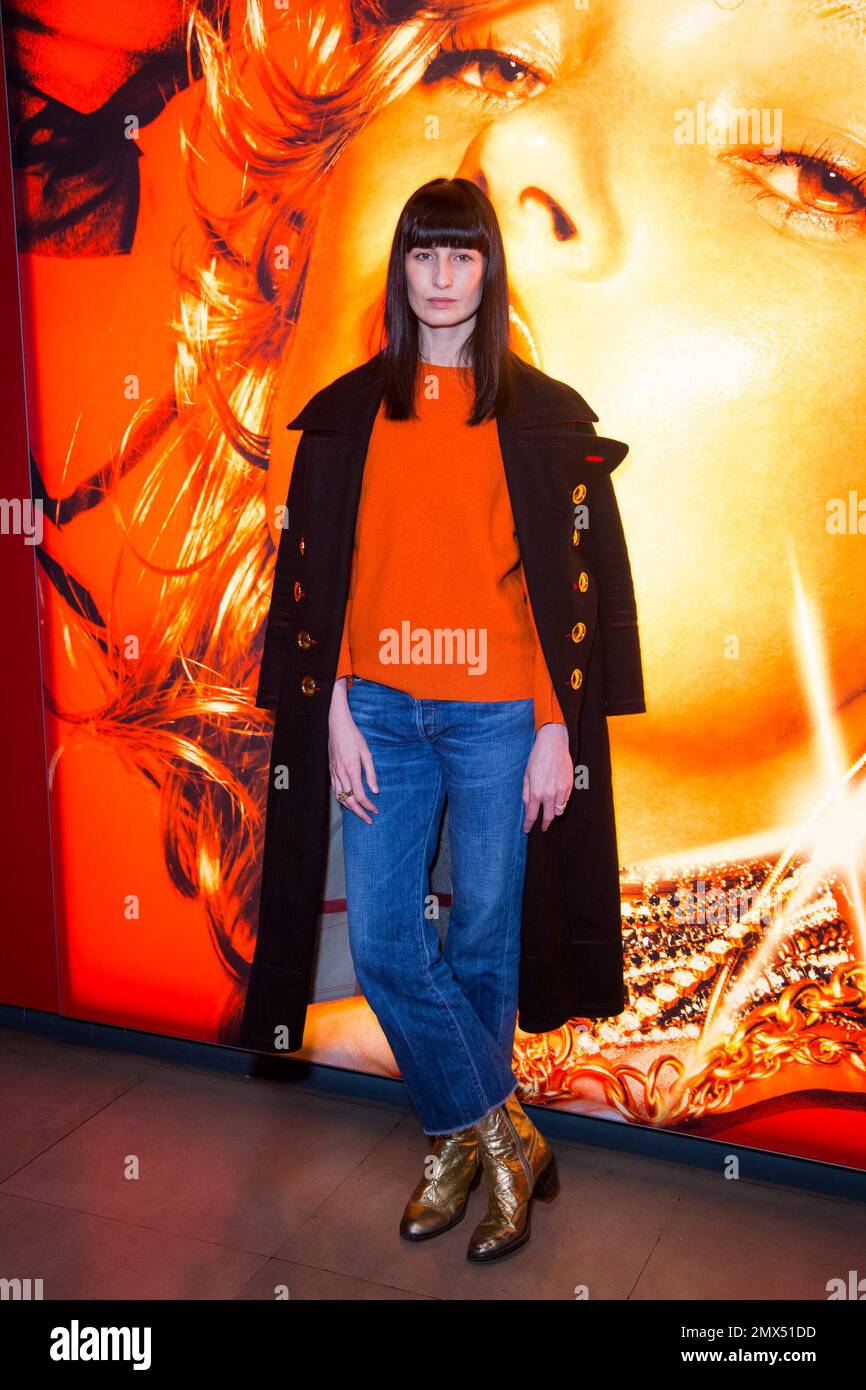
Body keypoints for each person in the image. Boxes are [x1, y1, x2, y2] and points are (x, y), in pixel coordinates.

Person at [327, 176, 606, 1261]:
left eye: (462, 255)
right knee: (390, 940)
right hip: (383, 711)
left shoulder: (533, 416)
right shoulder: (353, 411)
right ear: (399, 272)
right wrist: (337, 707)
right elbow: (329, 576)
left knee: (485, 939)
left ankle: (458, 1146)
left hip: (496, 710)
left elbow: (557, 586)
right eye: (421, 255)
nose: (441, 276)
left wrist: (550, 725)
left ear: (488, 271)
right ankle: (502, 1133)